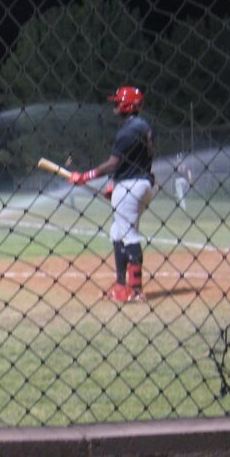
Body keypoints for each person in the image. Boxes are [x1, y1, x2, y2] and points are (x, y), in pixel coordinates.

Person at [68, 86, 154, 303]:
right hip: (137, 184)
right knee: (117, 233)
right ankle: (120, 286)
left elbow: (114, 163)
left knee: (129, 235)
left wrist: (85, 176)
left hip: (130, 187)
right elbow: (136, 161)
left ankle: (135, 291)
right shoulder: (142, 126)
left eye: (117, 102)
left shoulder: (127, 131)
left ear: (127, 106)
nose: (114, 106)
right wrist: (114, 185)